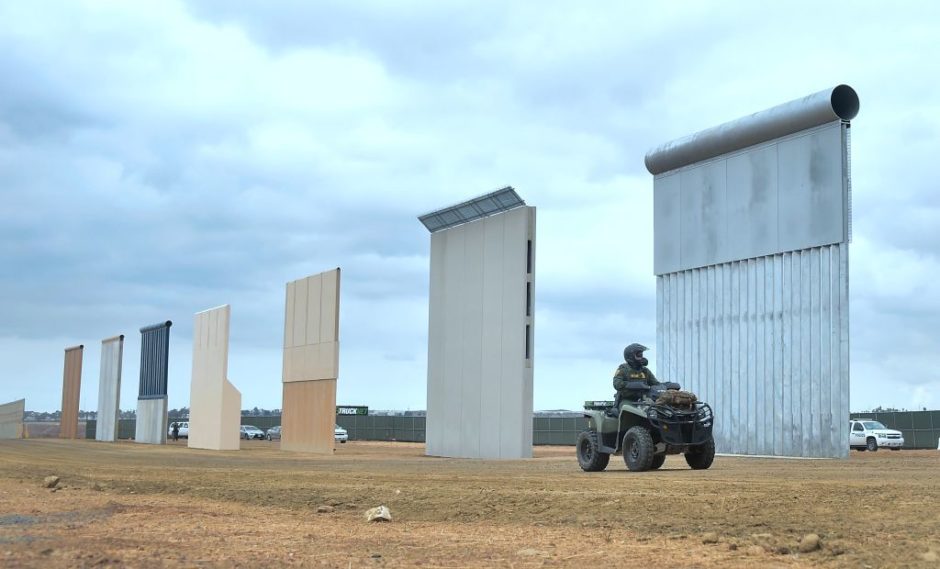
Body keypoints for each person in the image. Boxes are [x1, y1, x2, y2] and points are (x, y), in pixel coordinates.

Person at [612, 343, 659, 410]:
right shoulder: (623, 369)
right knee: (628, 410)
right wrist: (634, 385)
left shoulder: (645, 370)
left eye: (641, 355)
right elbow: (617, 384)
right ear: (630, 356)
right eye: (638, 355)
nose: (641, 357)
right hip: (627, 399)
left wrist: (665, 387)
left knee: (657, 410)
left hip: (644, 399)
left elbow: (656, 384)